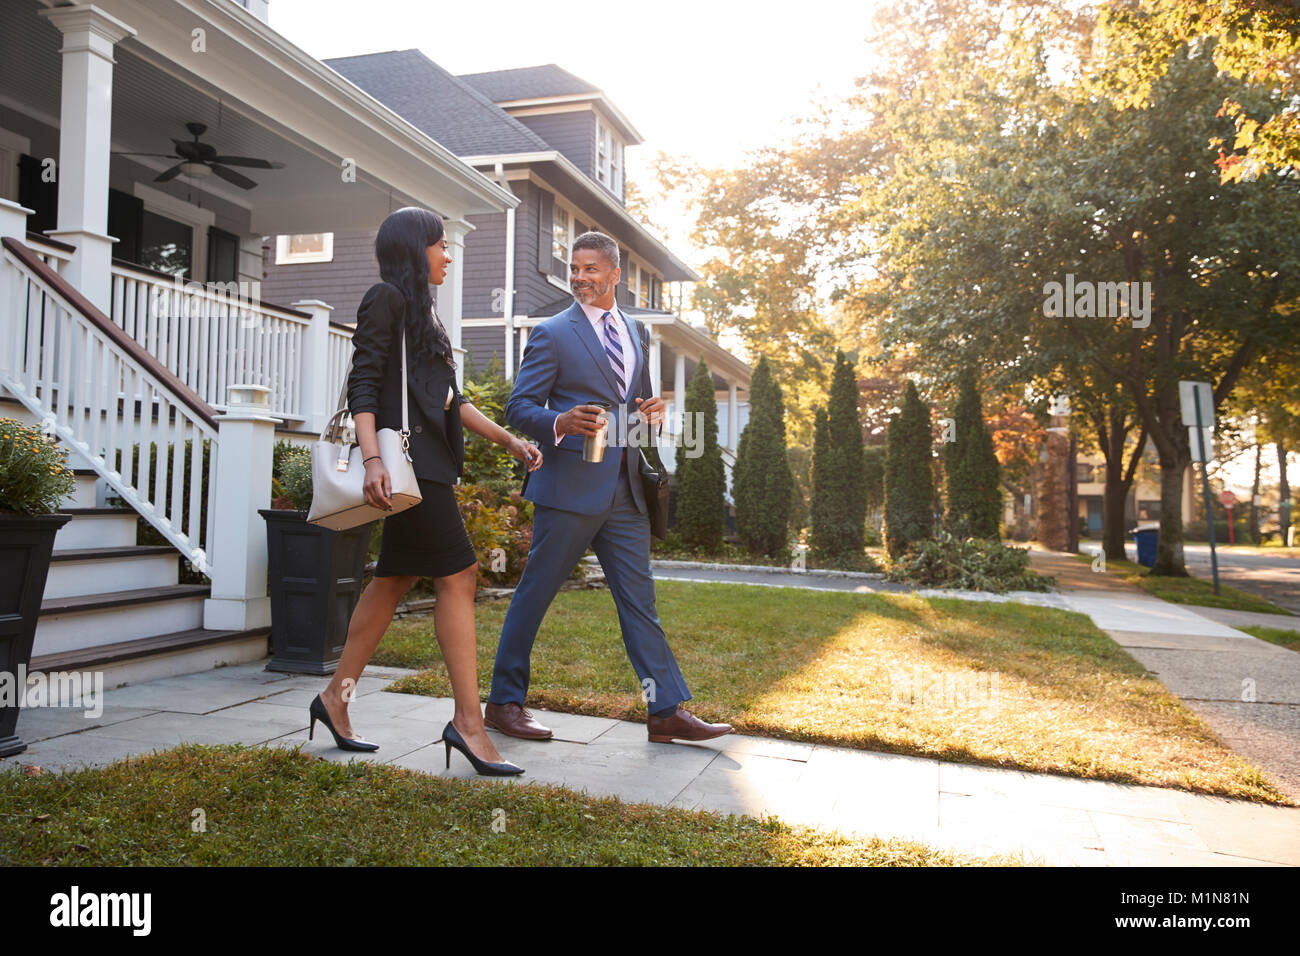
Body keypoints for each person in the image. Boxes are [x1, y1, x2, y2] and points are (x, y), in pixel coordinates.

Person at [308, 207, 542, 777]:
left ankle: (336, 698)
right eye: (440, 245)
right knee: (458, 576)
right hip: (405, 467)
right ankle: (467, 723)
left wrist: (509, 440)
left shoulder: (426, 317)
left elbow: (451, 402)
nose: (448, 255)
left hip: (428, 468)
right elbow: (362, 384)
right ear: (416, 250)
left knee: (391, 581)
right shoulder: (384, 299)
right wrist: (369, 459)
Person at [484, 230, 733, 745]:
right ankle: (504, 704)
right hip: (568, 489)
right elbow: (518, 409)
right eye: (575, 269)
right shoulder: (553, 332)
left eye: (591, 269)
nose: (580, 277)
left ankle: (664, 710)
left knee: (639, 602)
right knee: (534, 595)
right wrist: (560, 421)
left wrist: (652, 414)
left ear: (615, 274)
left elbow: (636, 405)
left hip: (626, 489)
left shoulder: (637, 332)